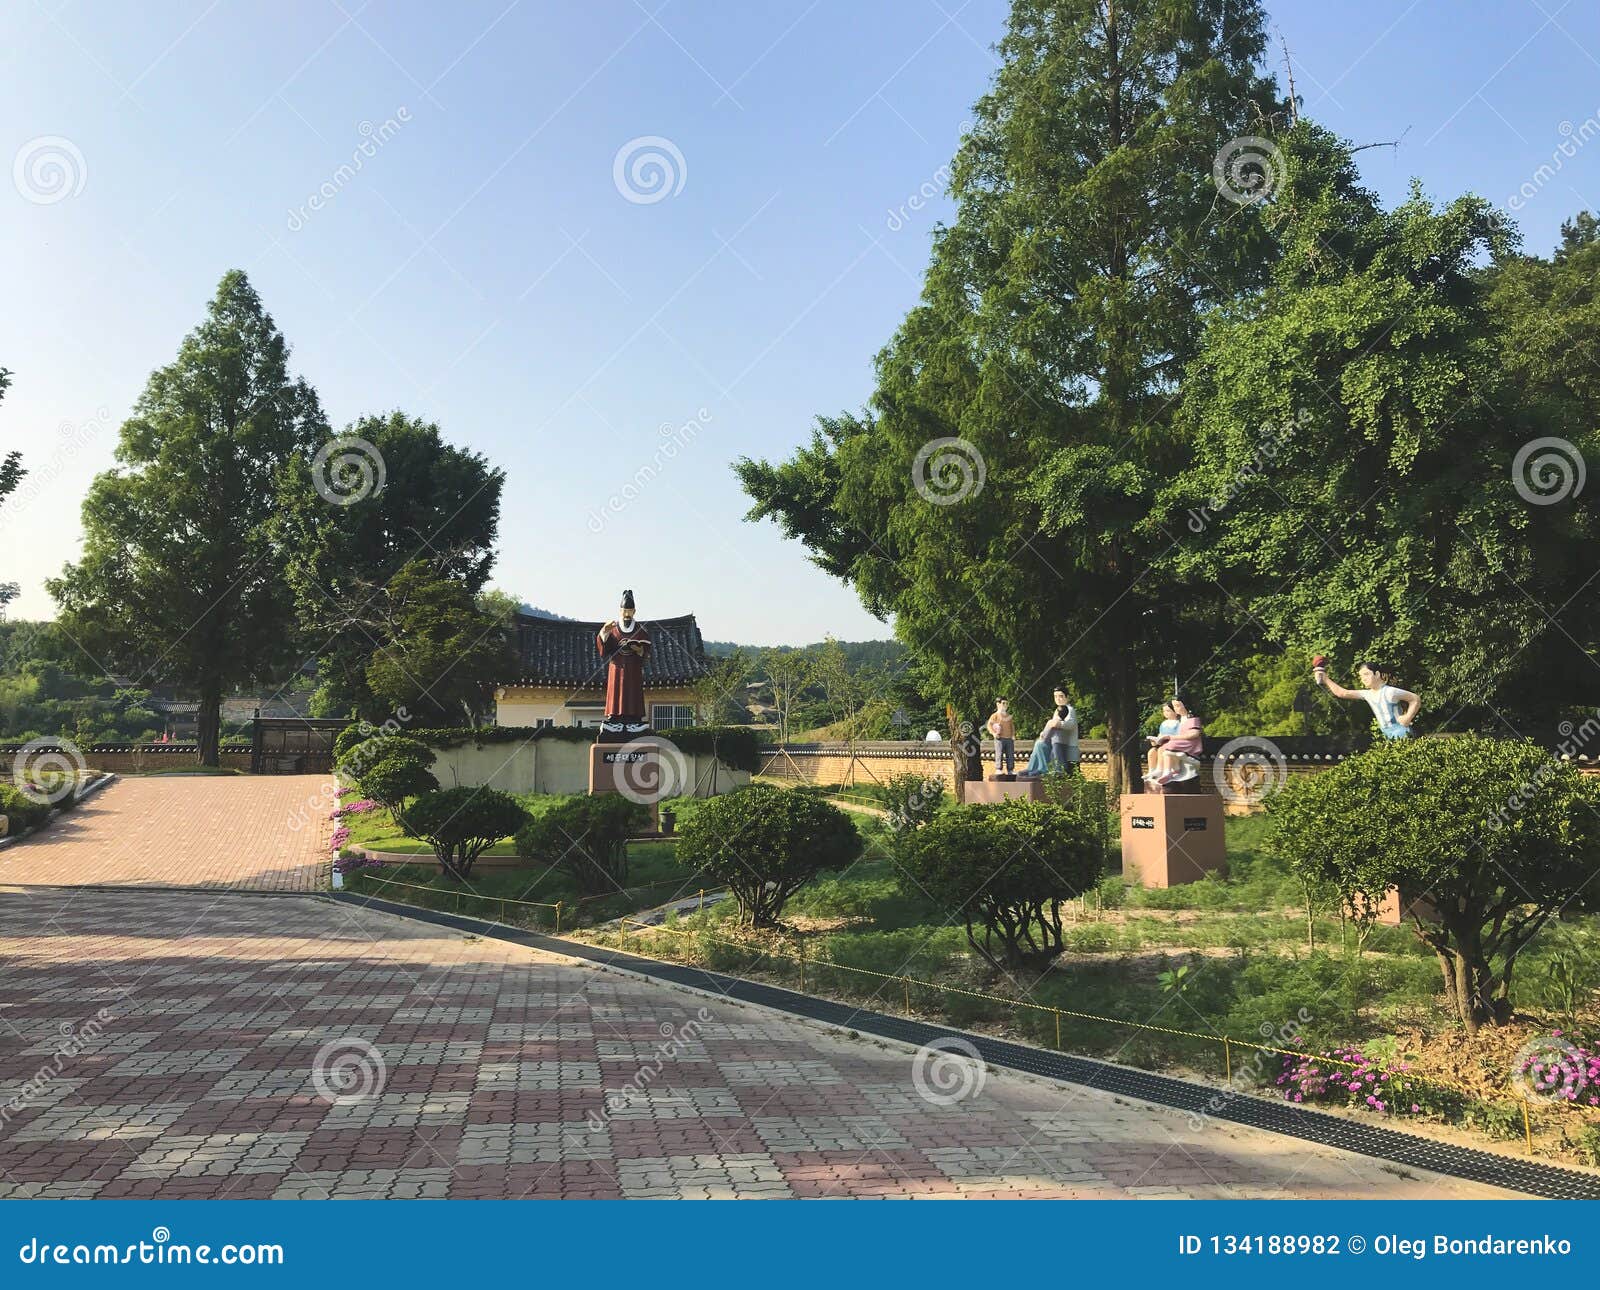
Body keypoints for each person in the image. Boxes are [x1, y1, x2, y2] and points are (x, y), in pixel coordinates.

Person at [1313, 658, 1419, 739]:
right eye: (1361, 676)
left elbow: (1415, 699)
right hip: (1387, 734)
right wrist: (1325, 679)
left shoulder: (1389, 692)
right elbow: (1343, 693)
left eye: (1366, 674)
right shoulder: (1367, 694)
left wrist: (1408, 717)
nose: (1363, 678)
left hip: (1401, 732)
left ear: (1377, 674)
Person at [1146, 694, 1203, 784]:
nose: (1176, 709)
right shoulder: (1181, 720)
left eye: (1178, 706)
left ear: (1185, 705)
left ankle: (1171, 770)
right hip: (1181, 742)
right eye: (1174, 706)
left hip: (1190, 744)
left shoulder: (1192, 718)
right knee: (1160, 749)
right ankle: (1164, 771)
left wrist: (1171, 737)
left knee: (1169, 746)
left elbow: (1195, 734)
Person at [1145, 701, 1180, 779]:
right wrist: (1155, 741)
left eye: (1168, 711)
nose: (1165, 713)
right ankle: (1151, 771)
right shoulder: (1163, 723)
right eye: (1164, 711)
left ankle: (1159, 769)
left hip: (1172, 745)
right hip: (1162, 744)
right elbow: (1160, 735)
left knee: (1161, 750)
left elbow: (1178, 735)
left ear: (1175, 712)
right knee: (1151, 752)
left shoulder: (1178, 723)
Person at [1051, 687, 1080, 770]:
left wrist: (1060, 724)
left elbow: (1070, 724)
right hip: (1059, 744)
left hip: (1070, 745)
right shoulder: (1057, 711)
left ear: (1067, 697)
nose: (1058, 699)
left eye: (1061, 696)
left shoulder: (1070, 710)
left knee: (1072, 769)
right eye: (1055, 696)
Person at [986, 699, 1016, 775]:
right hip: (999, 738)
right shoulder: (995, 716)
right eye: (1003, 703)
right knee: (999, 753)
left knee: (1010, 754)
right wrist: (993, 733)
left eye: (1006, 703)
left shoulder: (1009, 716)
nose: (1005, 705)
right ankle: (998, 768)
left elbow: (1012, 726)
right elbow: (989, 725)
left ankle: (1010, 769)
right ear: (998, 704)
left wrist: (1013, 735)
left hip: (1009, 738)